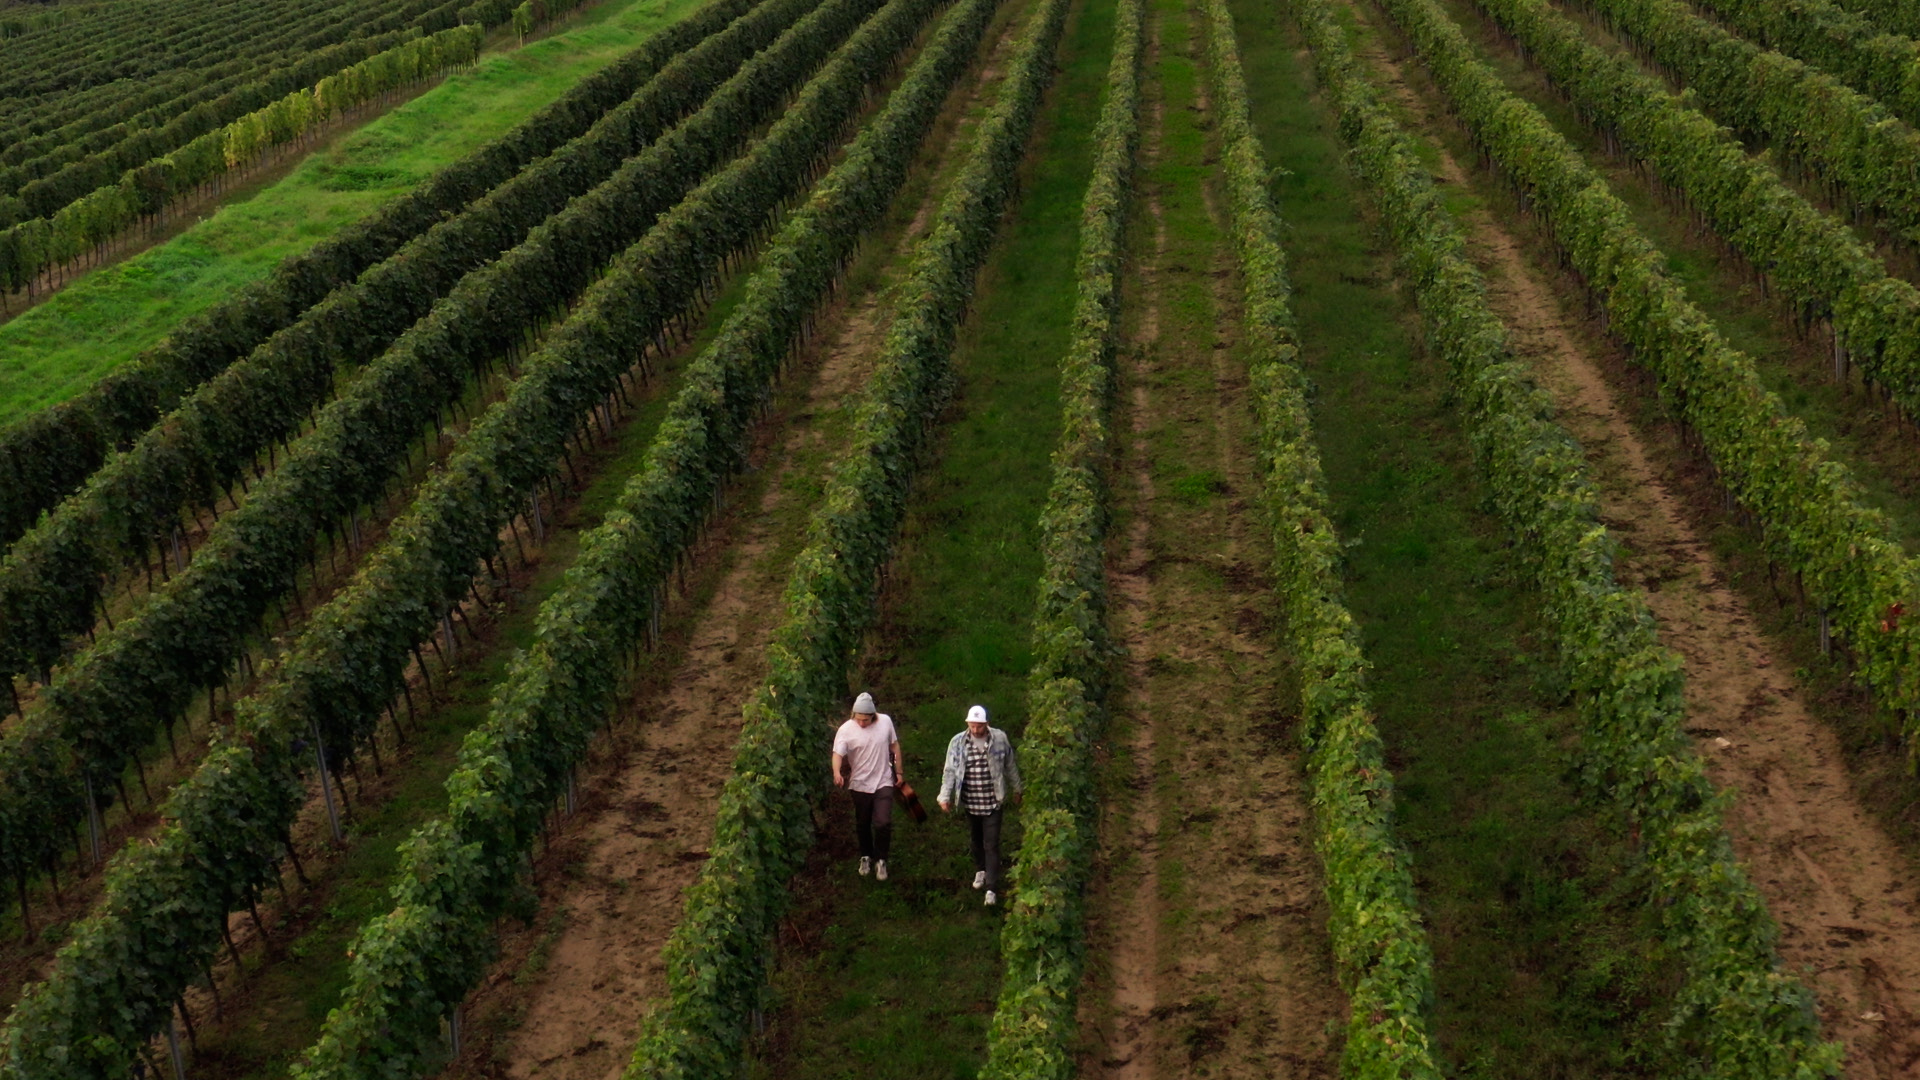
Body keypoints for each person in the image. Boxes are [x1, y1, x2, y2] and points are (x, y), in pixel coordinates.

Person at [938, 704, 1022, 906]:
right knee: (976, 839)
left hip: (993, 801)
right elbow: (950, 771)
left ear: (987, 724)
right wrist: (944, 796)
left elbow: (1010, 764)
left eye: (980, 726)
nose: (976, 730)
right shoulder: (957, 742)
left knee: (991, 844)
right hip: (971, 802)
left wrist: (1017, 788)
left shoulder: (999, 738)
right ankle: (981, 870)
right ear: (968, 724)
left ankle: (991, 888)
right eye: (972, 726)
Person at [832, 691, 903, 881]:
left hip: (883, 781)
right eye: (858, 719)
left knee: (883, 822)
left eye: (866, 720)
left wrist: (899, 772)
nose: (862, 723)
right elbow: (837, 754)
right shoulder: (846, 730)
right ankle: (866, 855)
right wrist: (837, 772)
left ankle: (881, 859)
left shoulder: (885, 722)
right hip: (860, 784)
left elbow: (894, 746)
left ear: (873, 715)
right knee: (863, 823)